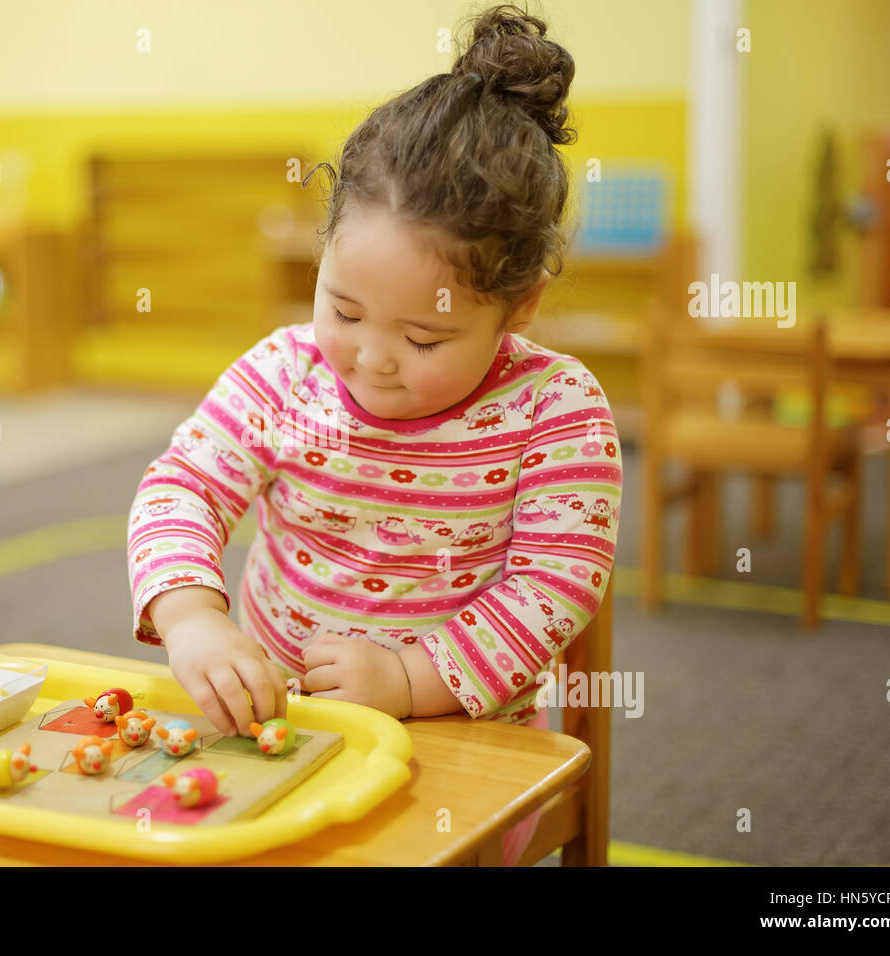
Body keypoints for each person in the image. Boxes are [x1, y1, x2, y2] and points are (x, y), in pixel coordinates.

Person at [126, 3, 620, 866]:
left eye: (424, 338)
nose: (373, 360)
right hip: (281, 732)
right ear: (320, 256)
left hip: (463, 746)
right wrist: (193, 619)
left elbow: (553, 586)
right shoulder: (286, 375)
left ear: (521, 303)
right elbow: (184, 488)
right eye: (343, 310)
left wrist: (406, 681)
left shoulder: (556, 410)